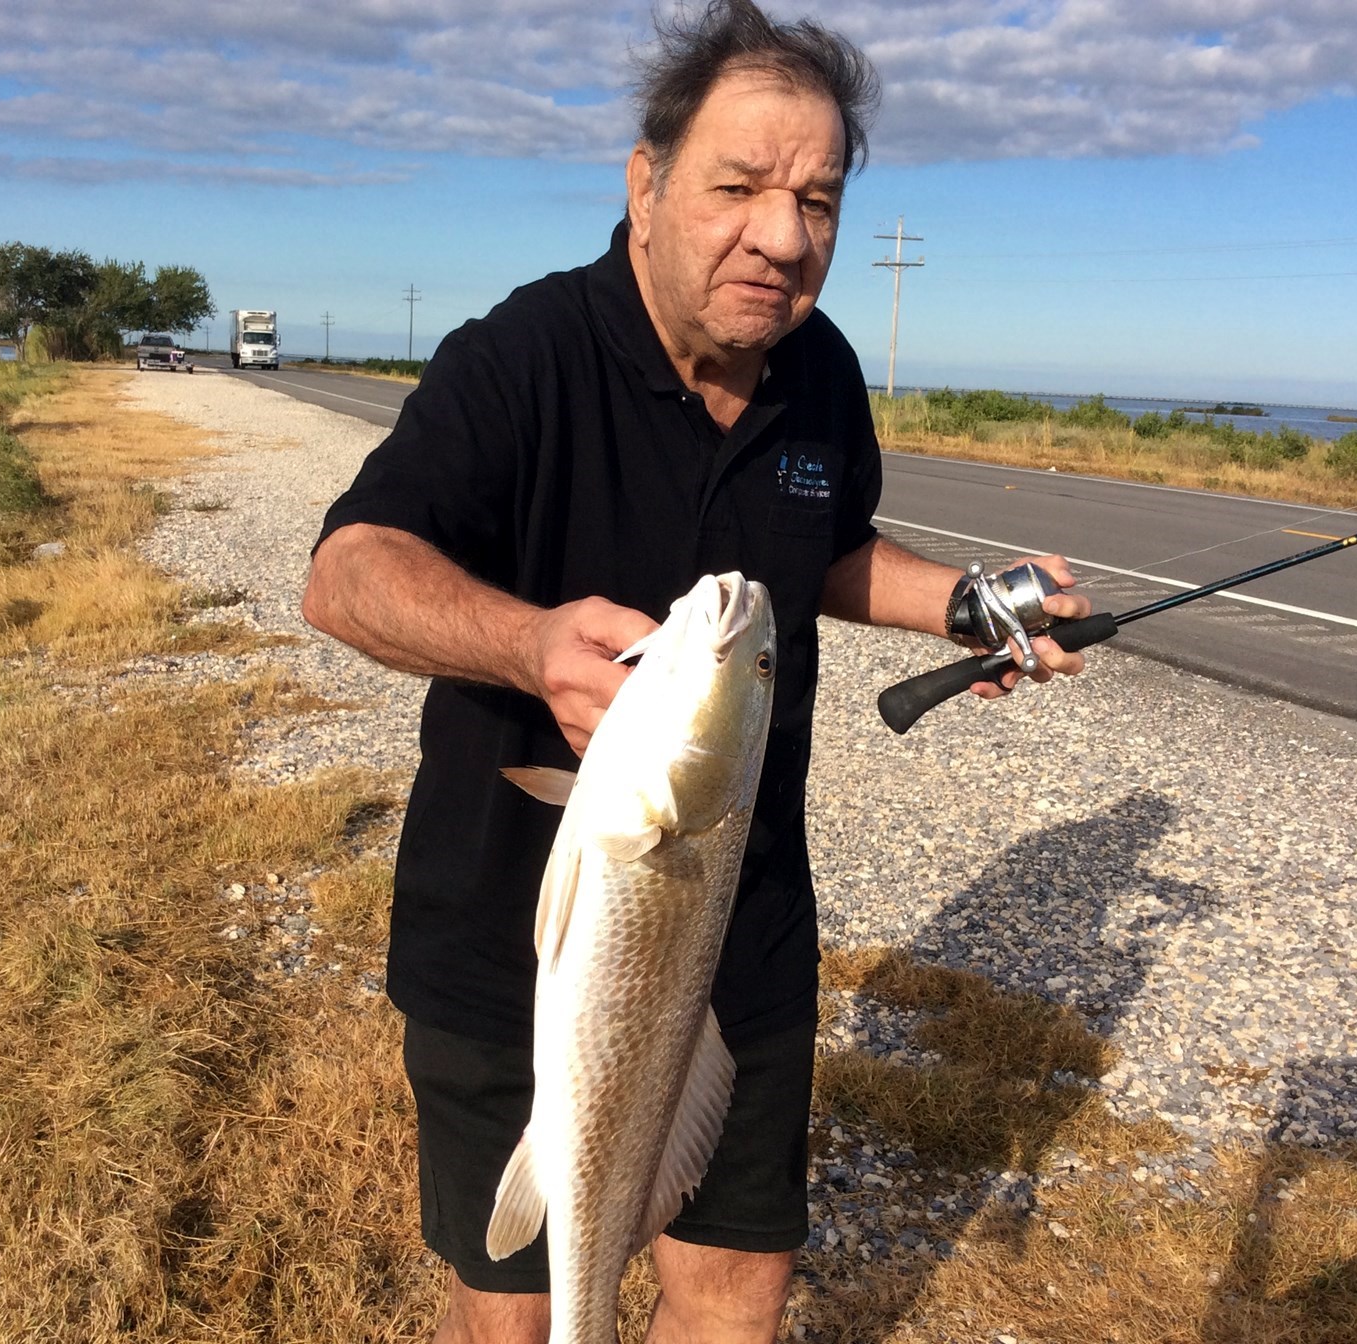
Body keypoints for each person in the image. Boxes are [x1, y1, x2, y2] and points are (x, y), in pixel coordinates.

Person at [302, 2, 1091, 1340]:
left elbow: (822, 546)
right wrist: (526, 641)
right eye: (740, 187)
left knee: (735, 1290)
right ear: (647, 183)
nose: (784, 237)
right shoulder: (519, 360)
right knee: (520, 1300)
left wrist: (959, 606)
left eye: (819, 201)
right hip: (515, 942)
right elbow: (349, 572)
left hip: (746, 923)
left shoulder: (821, 373)